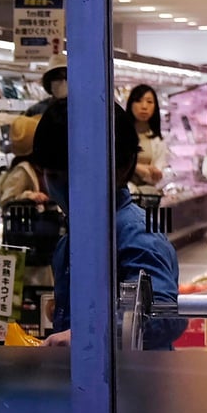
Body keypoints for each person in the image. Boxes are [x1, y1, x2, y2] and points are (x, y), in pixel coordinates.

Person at [31, 99, 186, 350]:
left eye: (78, 175)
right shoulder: (70, 241)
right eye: (54, 176)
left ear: (122, 168)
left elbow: (165, 316)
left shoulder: (137, 233)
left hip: (131, 385)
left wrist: (89, 335)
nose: (66, 189)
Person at [0, 115, 47, 208]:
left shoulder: (37, 167)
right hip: (35, 221)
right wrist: (28, 196)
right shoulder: (23, 170)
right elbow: (6, 201)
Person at [126, 84, 169, 189]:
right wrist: (138, 167)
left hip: (147, 199)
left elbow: (155, 177)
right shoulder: (120, 135)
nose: (144, 106)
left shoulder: (158, 140)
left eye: (149, 102)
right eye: (139, 101)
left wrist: (135, 167)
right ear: (130, 104)